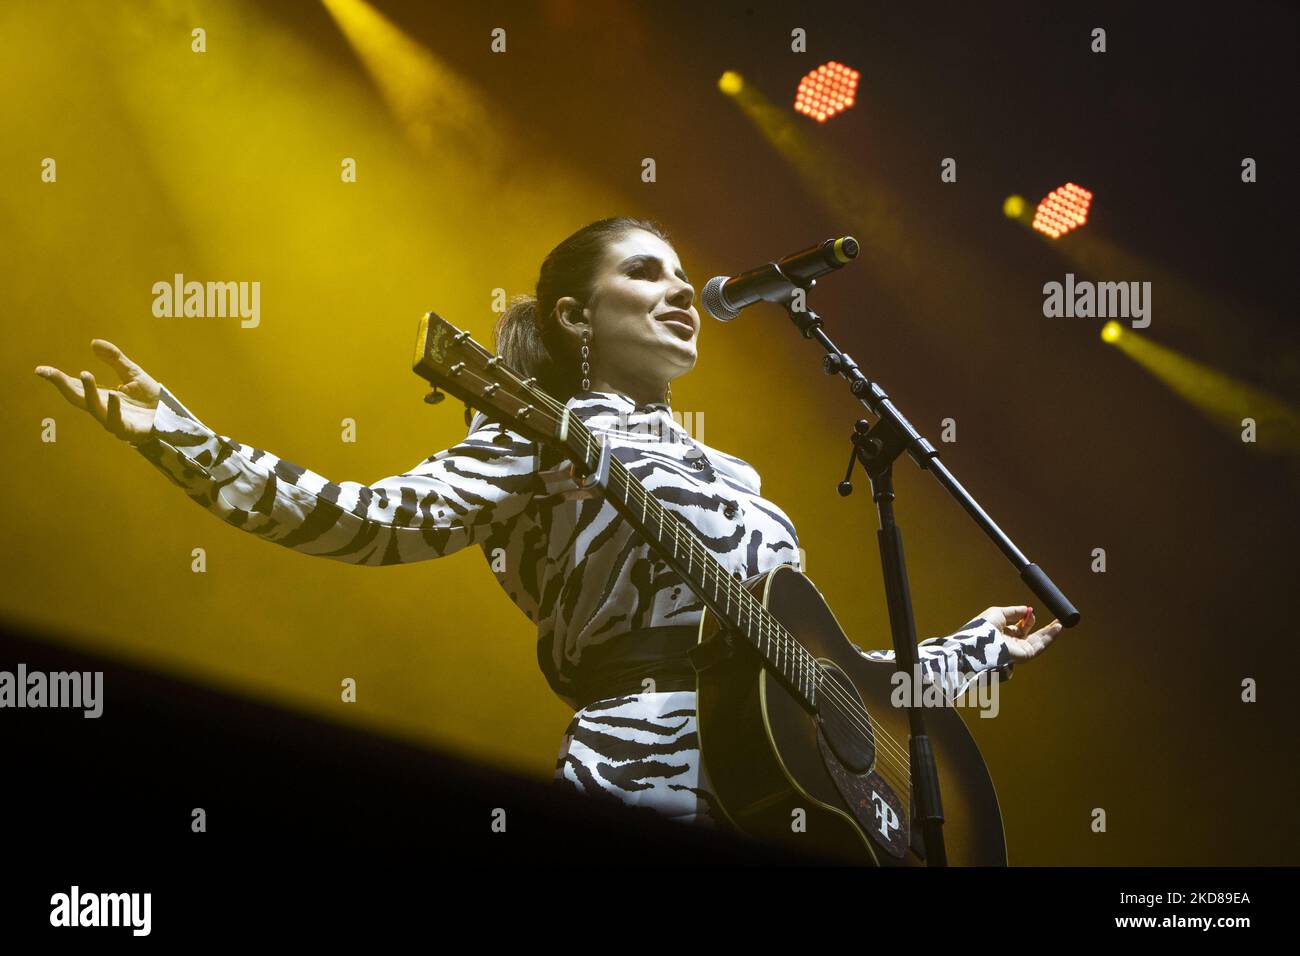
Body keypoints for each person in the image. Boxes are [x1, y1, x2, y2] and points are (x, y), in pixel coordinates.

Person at [34, 216, 1063, 828]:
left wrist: (980, 648)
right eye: (643, 272)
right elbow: (361, 518)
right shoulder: (544, 433)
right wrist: (175, 434)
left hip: (813, 788)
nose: (679, 294)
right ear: (574, 316)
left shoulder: (740, 473)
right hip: (643, 759)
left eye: (679, 274)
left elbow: (833, 675)